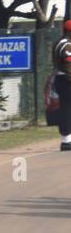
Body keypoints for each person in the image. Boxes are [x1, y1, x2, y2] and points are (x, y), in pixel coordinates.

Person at [54, 19, 71, 151]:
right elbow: (68, 66)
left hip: (63, 79)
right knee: (66, 109)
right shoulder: (66, 45)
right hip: (66, 80)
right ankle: (66, 140)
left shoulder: (63, 42)